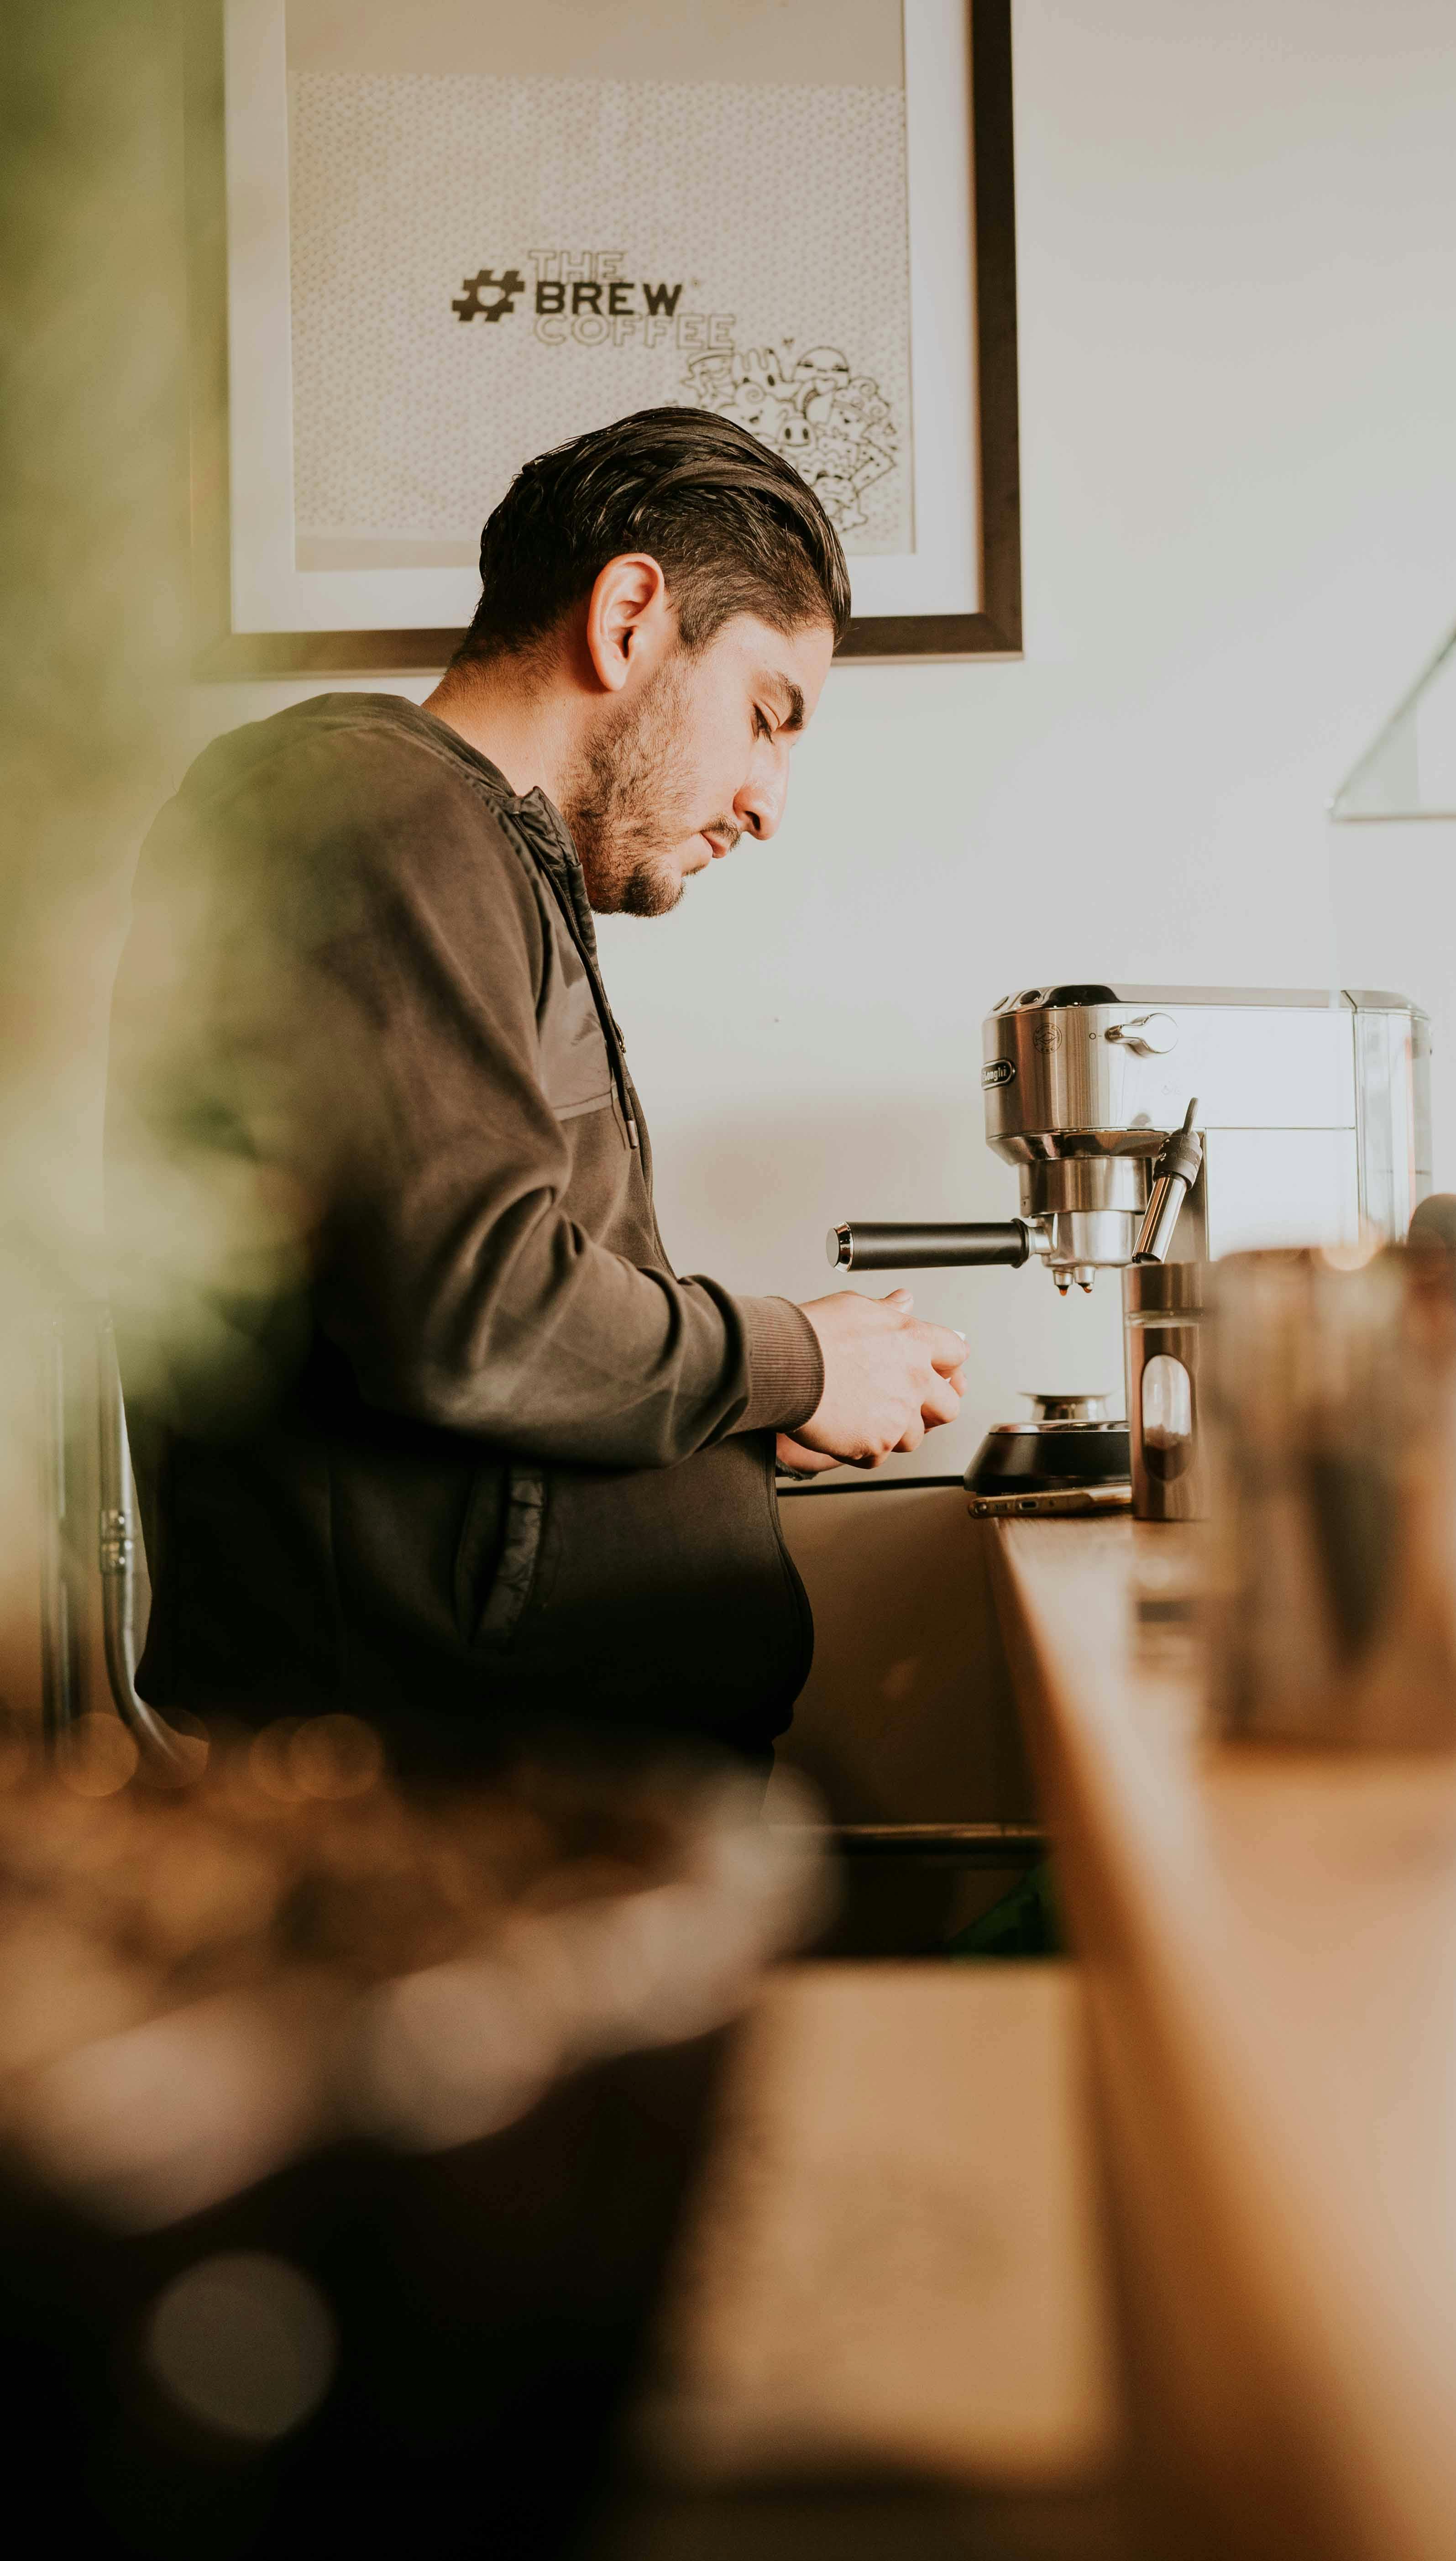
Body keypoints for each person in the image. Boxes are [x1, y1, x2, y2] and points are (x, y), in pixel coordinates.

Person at [106, 407, 967, 1771]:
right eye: (765, 715)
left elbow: (467, 1369)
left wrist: (741, 1423)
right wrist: (791, 1356)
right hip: (440, 1799)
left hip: (541, 1769)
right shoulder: (370, 806)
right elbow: (480, 1307)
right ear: (630, 616)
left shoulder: (471, 853)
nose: (769, 801)